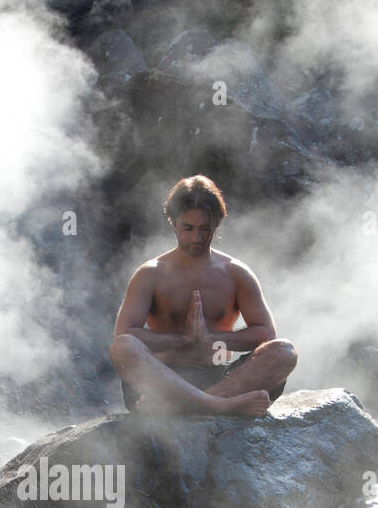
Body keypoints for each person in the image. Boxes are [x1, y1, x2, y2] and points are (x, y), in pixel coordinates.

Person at [110, 175, 297, 415]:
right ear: (173, 222)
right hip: (162, 380)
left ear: (216, 225)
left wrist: (210, 338)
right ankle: (217, 406)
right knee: (123, 346)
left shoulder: (235, 272)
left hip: (220, 377)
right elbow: (125, 336)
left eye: (204, 229)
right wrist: (182, 339)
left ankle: (189, 405)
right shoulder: (151, 274)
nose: (196, 238)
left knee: (284, 352)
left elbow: (265, 334)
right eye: (188, 228)